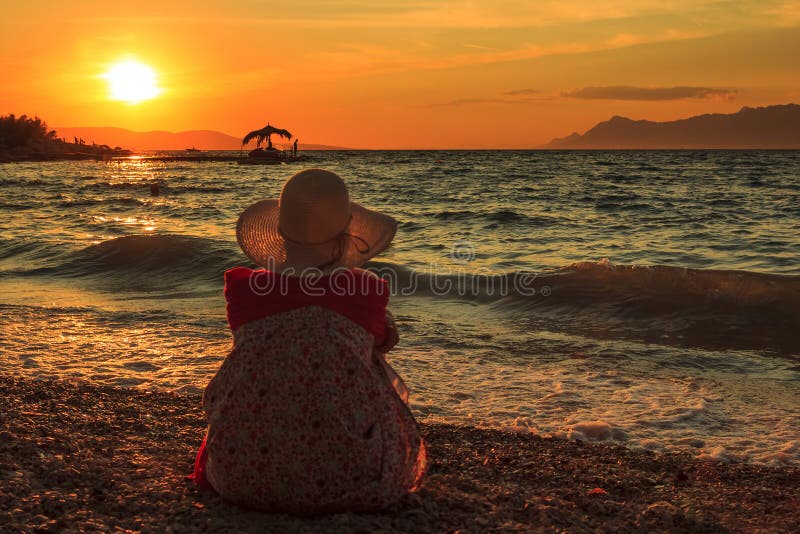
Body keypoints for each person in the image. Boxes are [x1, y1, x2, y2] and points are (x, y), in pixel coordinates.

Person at [189, 168, 427, 514]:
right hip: (345, 476)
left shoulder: (245, 289)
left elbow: (252, 342)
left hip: (239, 474)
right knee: (366, 358)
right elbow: (383, 341)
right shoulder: (366, 289)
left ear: (281, 232)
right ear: (347, 233)